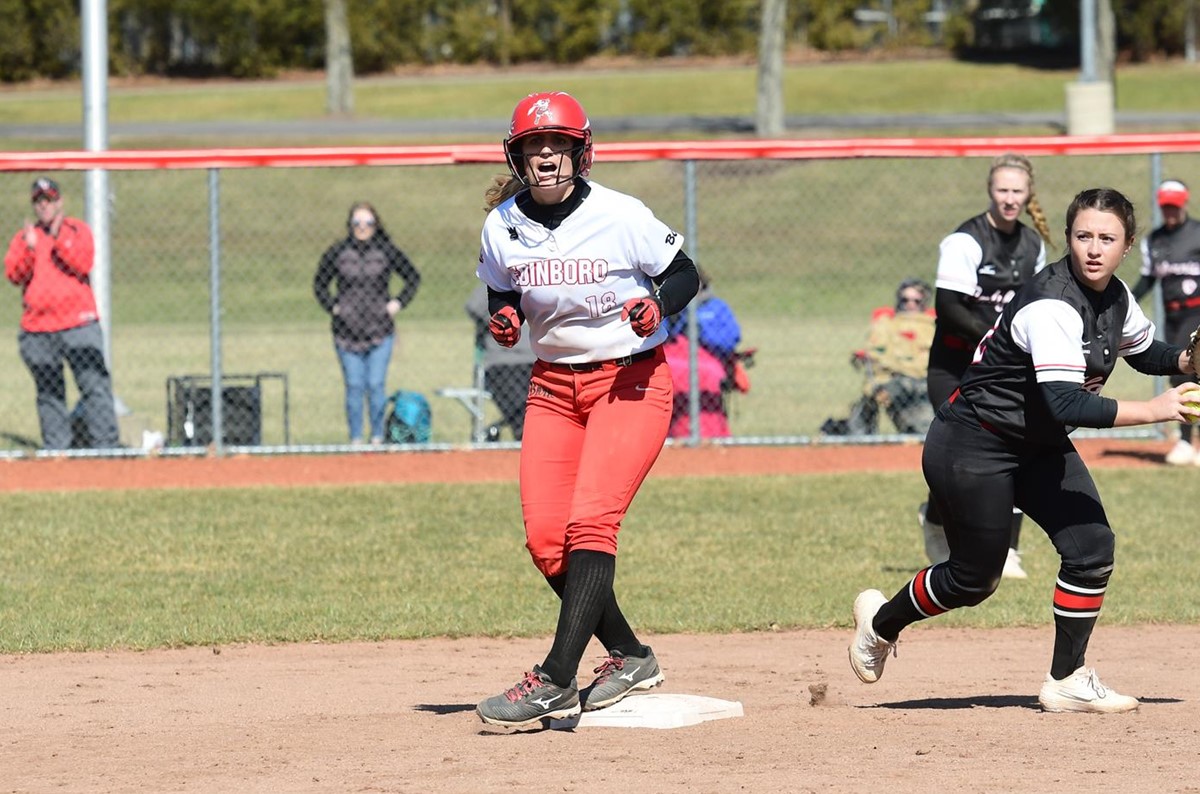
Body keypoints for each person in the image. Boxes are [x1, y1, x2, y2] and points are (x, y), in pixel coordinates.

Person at [850, 186, 1200, 713]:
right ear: (1068, 238)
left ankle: (1067, 679)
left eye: (1107, 239)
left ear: (1128, 246)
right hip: (973, 443)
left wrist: (1185, 363)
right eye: (1083, 236)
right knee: (974, 578)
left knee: (1092, 548)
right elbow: (1065, 402)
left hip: (1036, 444)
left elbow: (1144, 349)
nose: (1094, 249)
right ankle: (880, 624)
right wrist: (1156, 409)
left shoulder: (1115, 296)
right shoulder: (1052, 303)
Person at [473, 90, 699, 728]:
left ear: (582, 152)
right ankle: (631, 656)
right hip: (552, 390)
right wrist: (506, 316)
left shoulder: (620, 214)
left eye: (558, 144)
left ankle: (555, 679)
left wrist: (658, 303)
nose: (546, 155)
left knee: (591, 524)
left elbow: (685, 272)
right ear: (517, 157)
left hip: (630, 382)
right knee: (548, 541)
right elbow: (499, 291)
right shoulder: (502, 225)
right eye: (534, 145)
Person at [919, 153, 1054, 580]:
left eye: (1017, 191)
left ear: (1028, 194)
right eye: (1002, 190)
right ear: (990, 191)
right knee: (957, 459)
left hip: (1003, 371)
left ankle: (1008, 550)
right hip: (955, 366)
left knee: (1014, 452)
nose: (1009, 199)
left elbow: (1036, 305)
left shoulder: (1033, 244)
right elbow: (948, 308)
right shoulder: (965, 241)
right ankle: (934, 520)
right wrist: (996, 338)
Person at [4, 177, 119, 450]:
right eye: (39, 201)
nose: (44, 206)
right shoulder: (25, 237)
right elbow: (14, 275)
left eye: (49, 200)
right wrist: (30, 249)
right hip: (38, 328)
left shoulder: (77, 230)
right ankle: (57, 450)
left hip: (77, 325)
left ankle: (106, 447)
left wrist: (58, 238)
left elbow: (83, 263)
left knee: (94, 386)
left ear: (60, 202)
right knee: (49, 393)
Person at [313, 201, 421, 445]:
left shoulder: (386, 251)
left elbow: (412, 277)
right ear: (350, 225)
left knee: (375, 384)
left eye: (368, 223)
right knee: (354, 385)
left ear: (376, 225)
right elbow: (319, 284)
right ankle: (355, 439)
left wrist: (396, 304)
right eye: (357, 223)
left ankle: (377, 438)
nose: (362, 227)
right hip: (346, 332)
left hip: (380, 331)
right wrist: (334, 307)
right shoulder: (338, 252)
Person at [1131, 179, 1200, 466]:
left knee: (1188, 369)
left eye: (1174, 206)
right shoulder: (1155, 240)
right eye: (1166, 206)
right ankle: (1186, 441)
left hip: (1197, 313)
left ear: (1184, 204)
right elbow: (1148, 279)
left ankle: (1187, 442)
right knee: (1180, 373)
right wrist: (1126, 299)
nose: (1170, 211)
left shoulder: (1197, 233)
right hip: (1173, 316)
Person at [821, 278, 935, 436]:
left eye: (916, 301)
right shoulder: (886, 323)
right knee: (876, 391)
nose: (910, 305)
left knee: (923, 431)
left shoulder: (933, 326)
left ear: (924, 302)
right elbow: (874, 353)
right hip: (890, 381)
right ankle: (858, 433)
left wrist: (895, 365)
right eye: (905, 300)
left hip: (922, 383)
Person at [661, 270, 748, 439]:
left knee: (706, 373)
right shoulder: (670, 306)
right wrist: (672, 323)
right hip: (674, 358)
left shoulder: (716, 307)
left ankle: (708, 434)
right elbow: (656, 337)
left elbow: (732, 338)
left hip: (709, 359)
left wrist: (701, 331)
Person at [464, 283, 536, 441]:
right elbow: (473, 306)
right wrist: (500, 317)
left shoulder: (540, 279)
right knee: (522, 411)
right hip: (502, 363)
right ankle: (524, 433)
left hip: (537, 360)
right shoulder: (500, 280)